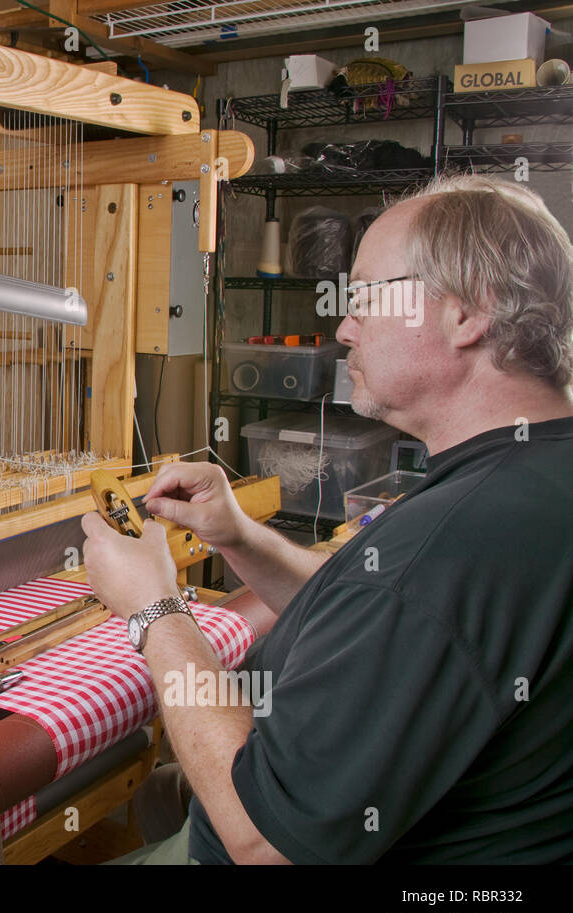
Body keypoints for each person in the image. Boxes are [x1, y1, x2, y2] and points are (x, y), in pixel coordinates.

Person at [83, 174, 573, 863]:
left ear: (469, 313)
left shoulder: (449, 544)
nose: (343, 326)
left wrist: (154, 609)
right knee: (161, 806)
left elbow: (264, 845)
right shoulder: (533, 475)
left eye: (366, 297)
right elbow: (381, 619)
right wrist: (238, 536)